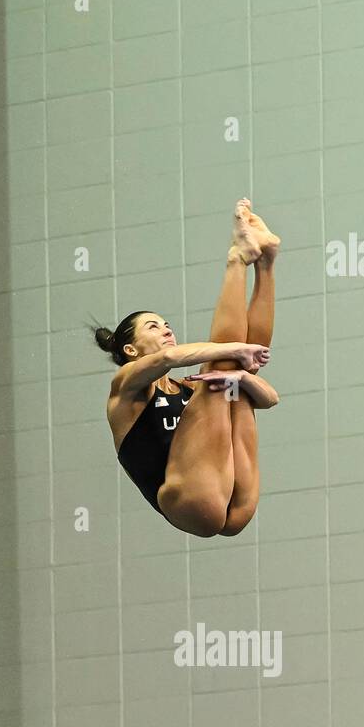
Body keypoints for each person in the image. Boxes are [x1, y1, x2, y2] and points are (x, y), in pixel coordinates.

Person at [94, 199, 280, 537]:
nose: (166, 329)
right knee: (219, 374)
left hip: (235, 501)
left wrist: (242, 377)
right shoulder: (125, 389)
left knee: (232, 379)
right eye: (153, 327)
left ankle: (265, 262)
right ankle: (238, 258)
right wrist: (232, 350)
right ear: (130, 349)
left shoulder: (188, 387)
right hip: (188, 500)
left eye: (166, 324)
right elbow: (166, 359)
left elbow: (269, 399)